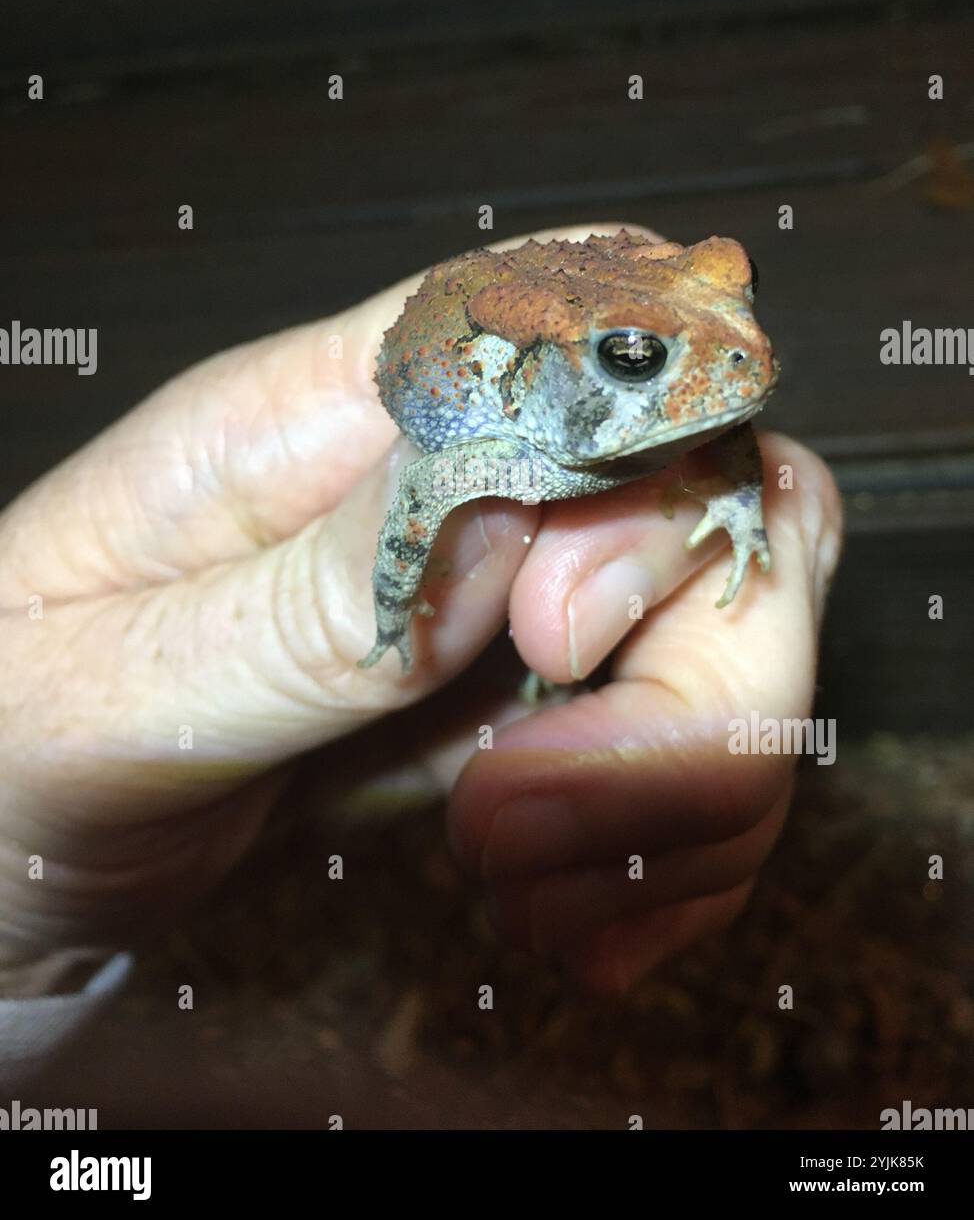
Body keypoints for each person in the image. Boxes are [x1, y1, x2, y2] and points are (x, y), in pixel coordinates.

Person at [0, 224, 842, 1084]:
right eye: (635, 356)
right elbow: (415, 504)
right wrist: (390, 611)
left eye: (741, 292)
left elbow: (722, 425)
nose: (747, 349)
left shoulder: (686, 383)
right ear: (568, 368)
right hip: (481, 376)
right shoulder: (489, 452)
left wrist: (740, 502)